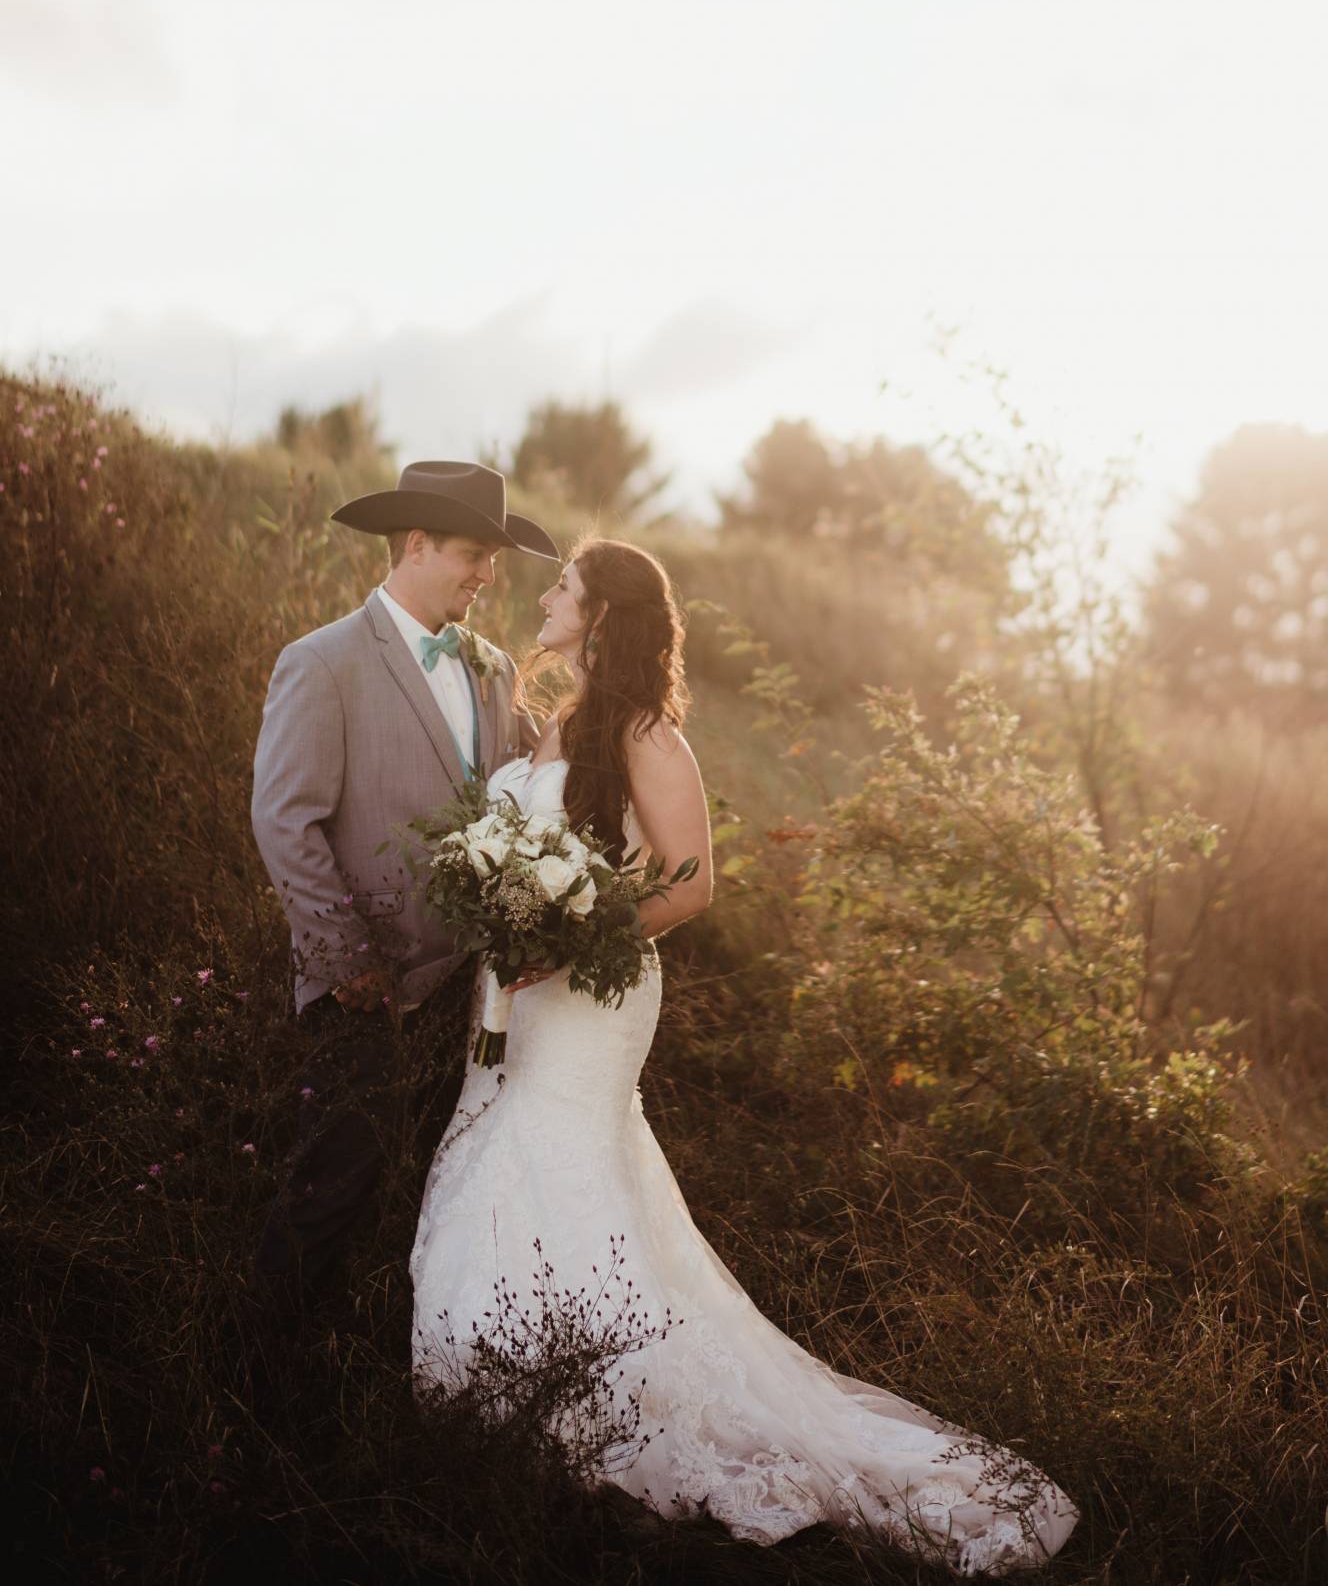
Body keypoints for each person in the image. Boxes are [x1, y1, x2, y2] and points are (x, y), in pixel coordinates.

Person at [411, 538, 1077, 1573]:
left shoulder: (644, 734)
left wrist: (571, 935)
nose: (542, 597)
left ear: (600, 616)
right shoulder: (559, 724)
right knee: (508, 1157)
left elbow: (690, 884)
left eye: (561, 588)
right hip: (520, 996)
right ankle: (520, 1371)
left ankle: (591, 1385)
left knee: (563, 1161)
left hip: (589, 996)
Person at [251, 459, 558, 1321]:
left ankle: (391, 1375)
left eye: (495, 559)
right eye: (474, 554)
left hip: (469, 991)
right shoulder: (322, 663)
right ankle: (257, 1378)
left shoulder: (494, 670)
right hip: (363, 990)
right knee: (332, 1186)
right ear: (415, 543)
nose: (489, 575)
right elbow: (285, 822)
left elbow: (536, 785)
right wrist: (351, 963)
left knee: (439, 1190)